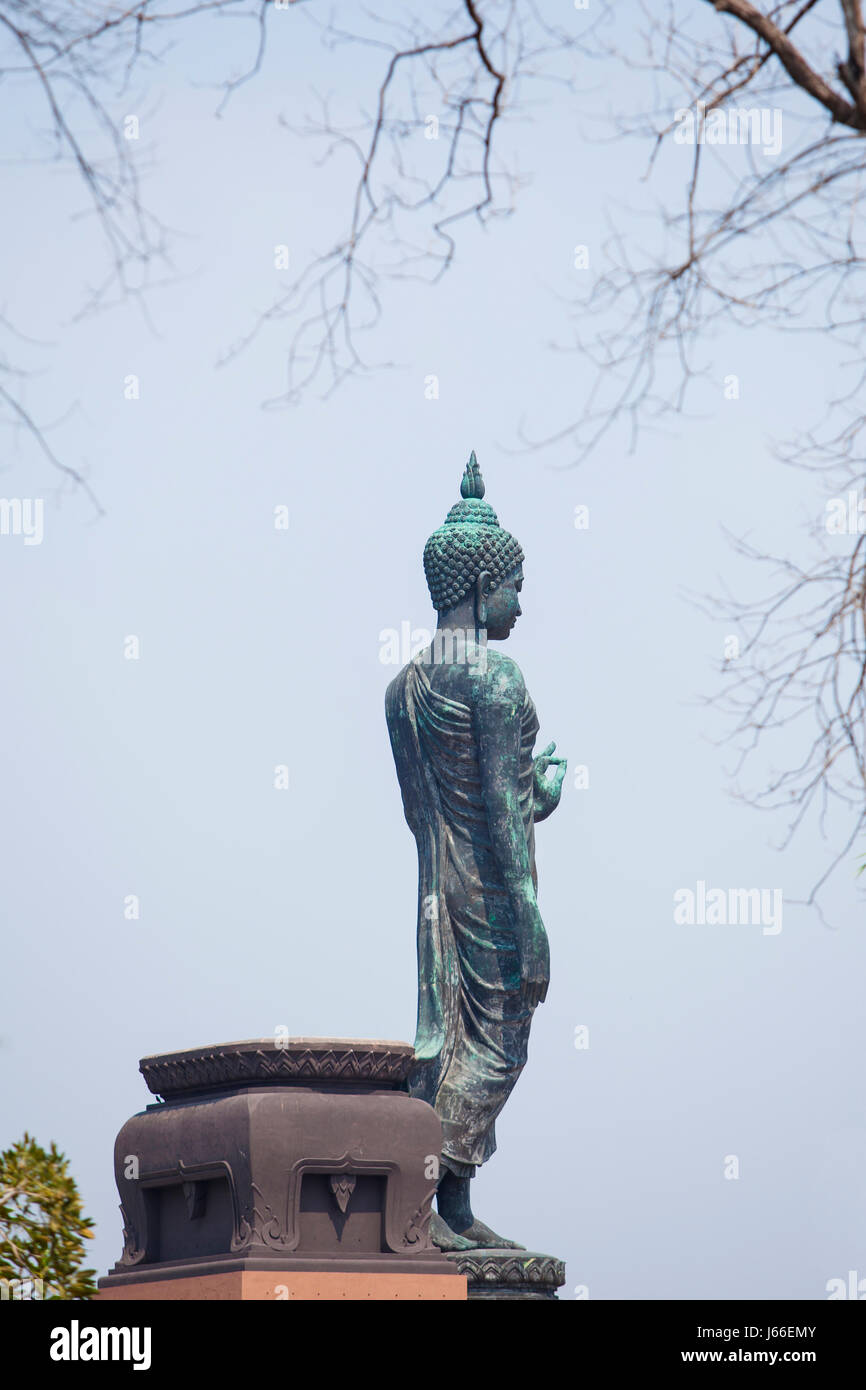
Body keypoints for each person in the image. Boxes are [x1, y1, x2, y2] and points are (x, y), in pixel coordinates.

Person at [385, 453, 567, 1250]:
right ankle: (426, 1196)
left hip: (434, 889)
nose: (521, 604)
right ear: (476, 580)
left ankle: (452, 1206)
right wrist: (527, 915)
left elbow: (421, 814)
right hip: (492, 891)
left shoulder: (403, 689)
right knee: (498, 1042)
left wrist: (534, 797)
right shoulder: (493, 679)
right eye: (514, 585)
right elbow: (497, 810)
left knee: (451, 1039)